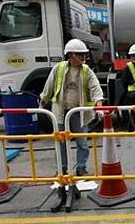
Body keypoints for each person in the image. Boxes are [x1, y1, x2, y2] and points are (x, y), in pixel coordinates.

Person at [40, 38, 104, 177]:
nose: (83, 57)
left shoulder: (86, 71)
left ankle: (81, 168)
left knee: (82, 142)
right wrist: (43, 99)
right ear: (71, 55)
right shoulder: (59, 68)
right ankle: (62, 169)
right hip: (61, 112)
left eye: (84, 54)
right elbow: (49, 85)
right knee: (61, 142)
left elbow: (95, 87)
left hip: (78, 113)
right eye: (80, 54)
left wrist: (99, 102)